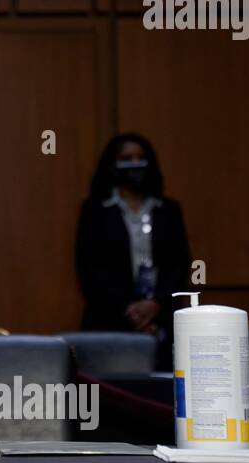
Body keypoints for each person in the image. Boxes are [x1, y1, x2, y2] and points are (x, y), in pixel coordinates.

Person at [76, 133, 190, 343]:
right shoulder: (95, 211)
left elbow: (179, 264)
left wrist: (155, 303)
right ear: (112, 164)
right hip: (109, 318)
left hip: (163, 317)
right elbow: (90, 267)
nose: (135, 165)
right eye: (127, 159)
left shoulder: (168, 210)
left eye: (140, 158)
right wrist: (130, 310)